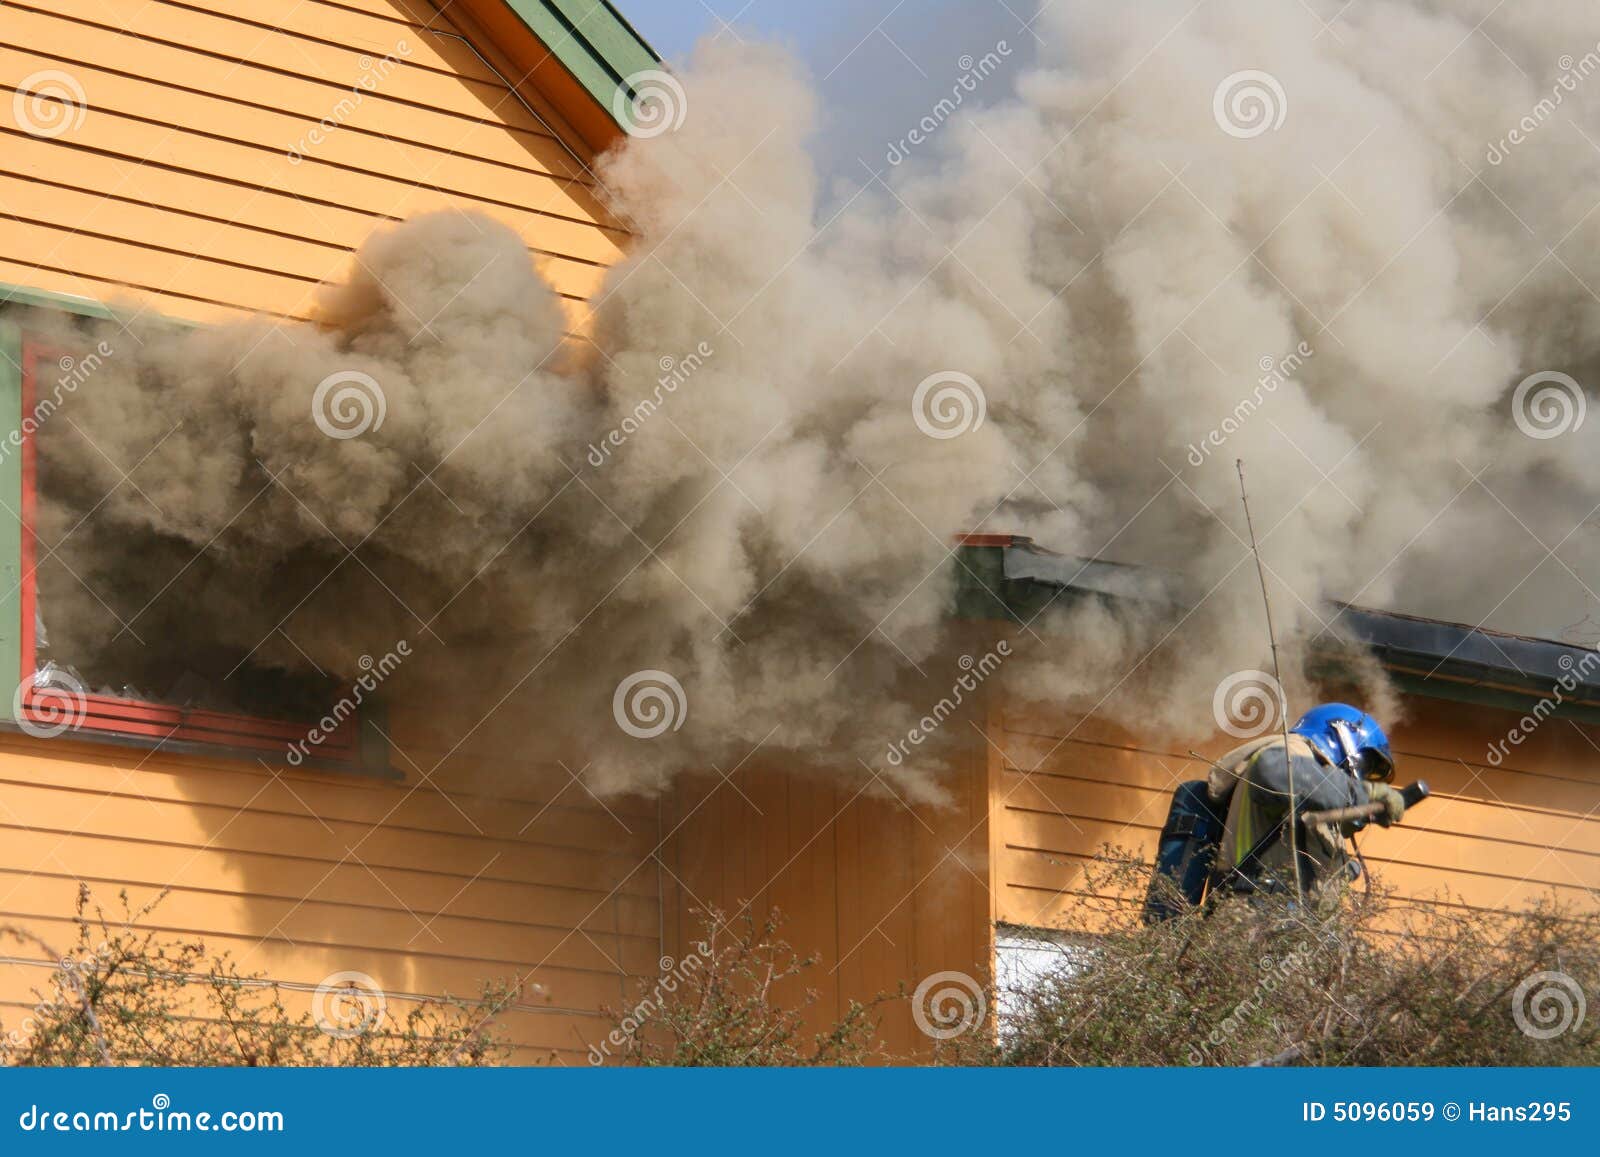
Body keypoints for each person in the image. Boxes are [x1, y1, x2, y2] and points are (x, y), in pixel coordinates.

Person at [1206, 703, 1408, 904]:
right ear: (1342, 736)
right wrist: (1365, 793)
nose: (1363, 778)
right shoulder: (1290, 749)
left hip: (1278, 920)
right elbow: (1273, 771)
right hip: (1255, 916)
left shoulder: (1311, 787)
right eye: (1367, 766)